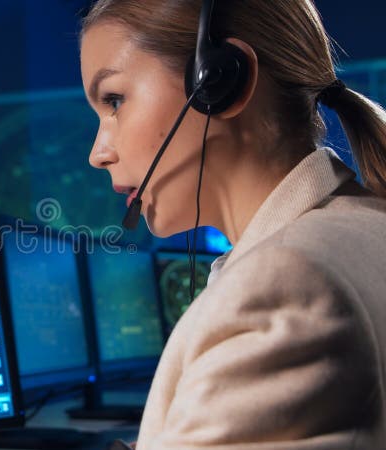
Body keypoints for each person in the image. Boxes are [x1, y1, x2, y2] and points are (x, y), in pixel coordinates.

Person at [79, 1, 386, 449]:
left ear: (219, 81)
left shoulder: (283, 289)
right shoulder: (363, 223)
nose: (98, 152)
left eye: (115, 100)